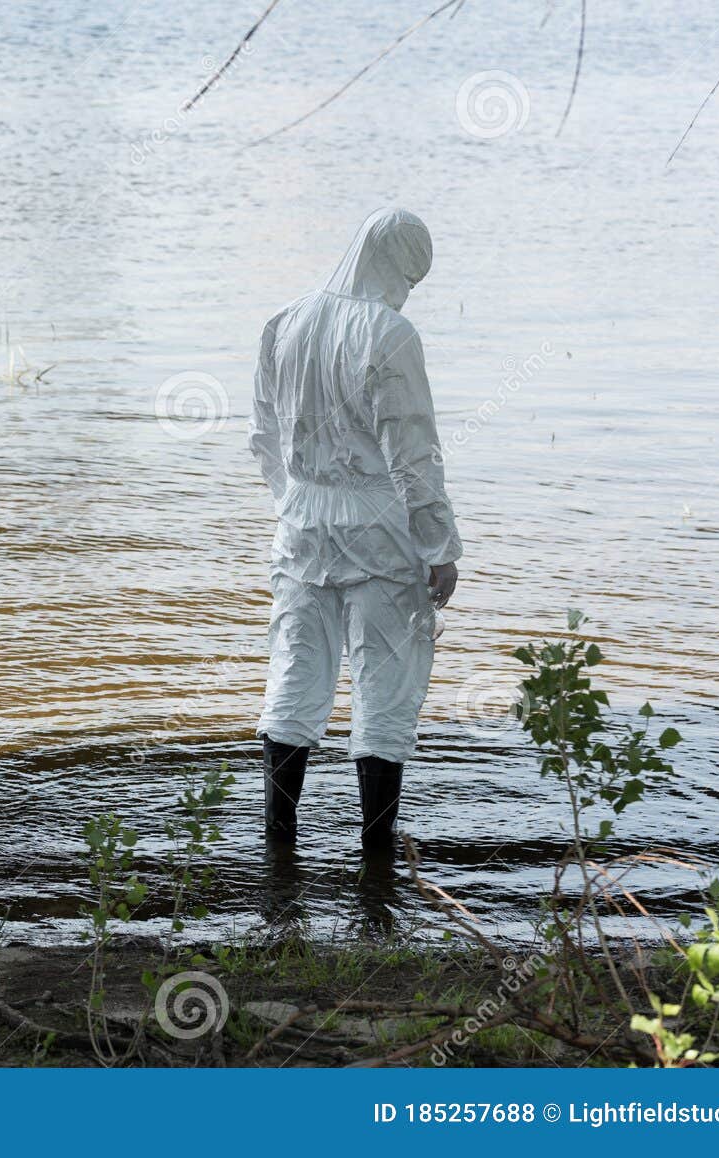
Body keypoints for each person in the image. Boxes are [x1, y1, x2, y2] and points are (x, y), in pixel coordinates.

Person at [247, 207, 462, 848]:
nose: (406, 291)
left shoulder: (284, 321)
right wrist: (439, 544)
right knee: (385, 684)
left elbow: (263, 435)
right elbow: (412, 450)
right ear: (396, 266)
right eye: (409, 277)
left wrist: (298, 503)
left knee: (296, 676)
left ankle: (278, 844)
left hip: (301, 526)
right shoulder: (390, 333)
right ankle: (376, 860)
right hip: (380, 533)